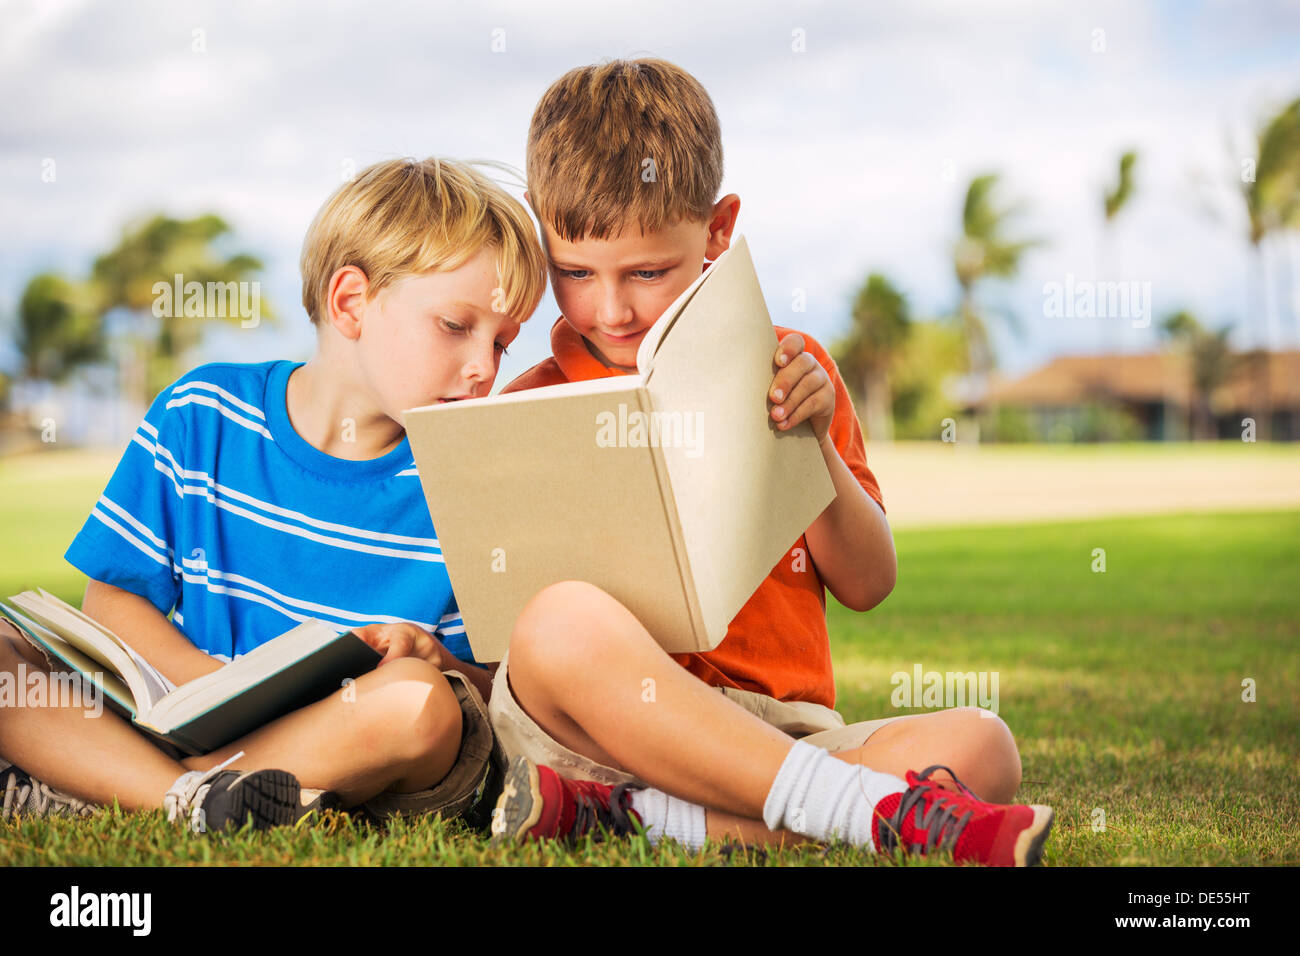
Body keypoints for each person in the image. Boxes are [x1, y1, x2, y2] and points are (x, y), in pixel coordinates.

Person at [487, 59, 1054, 865]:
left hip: (783, 729)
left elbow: (868, 584)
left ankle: (639, 820)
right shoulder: (529, 402)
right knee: (555, 623)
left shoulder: (791, 367)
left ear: (719, 230)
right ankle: (847, 810)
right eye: (575, 273)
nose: (610, 309)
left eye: (647, 272)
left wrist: (811, 442)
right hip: (608, 733)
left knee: (983, 745)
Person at [0, 156, 546, 833]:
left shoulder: (470, 483)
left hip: (352, 734)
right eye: (457, 326)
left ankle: (132, 786)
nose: (483, 368)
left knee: (418, 706)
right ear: (350, 302)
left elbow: (498, 698)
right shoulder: (204, 412)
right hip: (185, 708)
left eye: (503, 344)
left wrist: (443, 662)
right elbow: (113, 599)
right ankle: (196, 796)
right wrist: (214, 686)